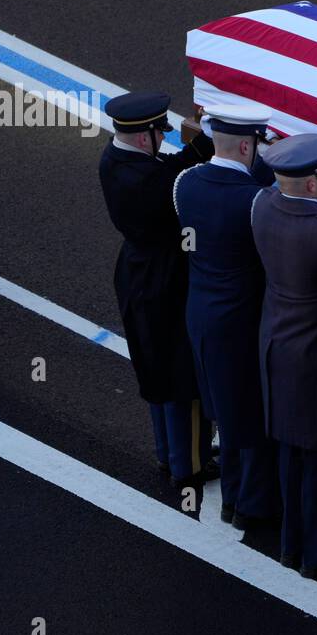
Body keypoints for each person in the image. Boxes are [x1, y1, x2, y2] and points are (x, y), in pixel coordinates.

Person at [98, 91, 219, 486]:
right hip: (167, 278)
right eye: (157, 133)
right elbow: (179, 179)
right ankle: (191, 464)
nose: (162, 139)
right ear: (141, 137)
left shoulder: (116, 159)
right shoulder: (151, 180)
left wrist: (202, 142)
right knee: (183, 373)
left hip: (135, 273)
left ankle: (169, 454)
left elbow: (171, 165)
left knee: (155, 370)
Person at [173, 103, 279, 529]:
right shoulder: (255, 200)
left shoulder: (184, 183)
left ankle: (236, 496)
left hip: (200, 311)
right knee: (249, 413)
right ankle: (248, 504)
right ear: (247, 145)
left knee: (224, 408)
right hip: (242, 320)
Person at [251, 134, 317, 578]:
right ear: (313, 182)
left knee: (290, 454)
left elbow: (296, 207)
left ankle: (292, 544)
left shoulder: (260, 205)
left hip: (275, 343)